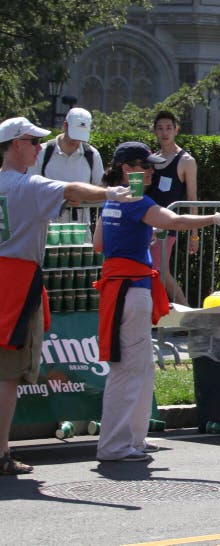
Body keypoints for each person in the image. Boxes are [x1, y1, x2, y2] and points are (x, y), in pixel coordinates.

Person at [0, 117, 139, 475]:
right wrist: (109, 192)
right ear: (16, 144)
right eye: (33, 141)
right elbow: (72, 190)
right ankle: (0, 453)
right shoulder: (27, 184)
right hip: (15, 281)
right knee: (8, 374)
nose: (38, 148)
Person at [92, 141, 220, 462]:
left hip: (123, 289)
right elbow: (172, 221)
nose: (150, 172)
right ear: (127, 168)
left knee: (140, 368)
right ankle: (115, 446)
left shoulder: (112, 201)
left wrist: (140, 236)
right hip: (132, 290)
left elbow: (99, 244)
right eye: (145, 166)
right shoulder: (135, 201)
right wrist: (213, 218)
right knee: (128, 370)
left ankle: (134, 439)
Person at [146, 111, 199, 305]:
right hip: (146, 225)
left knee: (159, 271)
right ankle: (171, 316)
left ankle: (185, 315)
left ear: (176, 130)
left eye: (168, 128)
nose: (164, 133)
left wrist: (194, 235)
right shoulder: (150, 158)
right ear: (154, 131)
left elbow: (192, 199)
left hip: (167, 227)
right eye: (160, 128)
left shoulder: (186, 161)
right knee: (153, 270)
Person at [28, 107, 105, 223]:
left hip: (79, 226)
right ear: (65, 126)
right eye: (74, 134)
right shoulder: (42, 153)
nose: (76, 140)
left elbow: (101, 190)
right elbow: (30, 188)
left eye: (81, 136)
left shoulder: (92, 155)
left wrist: (83, 198)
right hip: (47, 224)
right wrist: (58, 197)